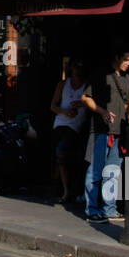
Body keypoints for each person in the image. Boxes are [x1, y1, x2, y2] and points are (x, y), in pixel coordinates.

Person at [81, 51, 129, 223]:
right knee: (95, 170)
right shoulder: (101, 75)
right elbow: (85, 98)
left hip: (119, 130)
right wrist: (102, 111)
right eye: (126, 60)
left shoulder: (127, 78)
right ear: (117, 58)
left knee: (112, 172)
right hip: (101, 130)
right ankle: (92, 209)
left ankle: (109, 209)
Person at [50, 59, 88, 203]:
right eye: (75, 67)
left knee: (70, 156)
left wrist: (81, 103)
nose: (77, 70)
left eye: (80, 67)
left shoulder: (86, 85)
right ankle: (65, 190)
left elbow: (90, 102)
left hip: (77, 125)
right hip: (62, 122)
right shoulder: (63, 84)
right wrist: (65, 111)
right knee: (61, 154)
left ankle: (70, 188)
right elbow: (52, 106)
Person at [0, 113, 38, 195]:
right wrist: (29, 125)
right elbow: (33, 135)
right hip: (25, 168)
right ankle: (20, 185)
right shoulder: (15, 126)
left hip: (10, 169)